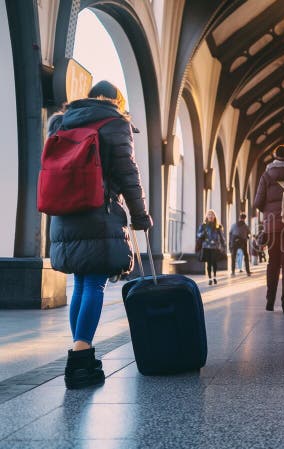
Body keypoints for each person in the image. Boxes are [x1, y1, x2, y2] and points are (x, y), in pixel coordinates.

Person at [48, 80, 152, 389]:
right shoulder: (115, 123)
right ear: (117, 102)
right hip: (98, 214)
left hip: (65, 213)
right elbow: (128, 175)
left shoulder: (61, 122)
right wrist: (140, 216)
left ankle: (82, 352)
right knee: (94, 283)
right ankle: (80, 362)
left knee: (81, 284)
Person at [254, 144, 284, 312]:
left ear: (275, 156)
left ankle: (270, 302)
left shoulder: (266, 175)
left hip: (272, 226)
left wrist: (269, 212)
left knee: (273, 263)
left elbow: (257, 202)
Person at [197, 210, 226, 285]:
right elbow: (198, 235)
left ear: (214, 216)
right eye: (209, 214)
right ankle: (210, 278)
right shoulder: (203, 226)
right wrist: (203, 233)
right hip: (206, 247)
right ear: (206, 216)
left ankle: (214, 277)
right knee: (209, 263)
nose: (210, 216)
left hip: (215, 247)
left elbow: (222, 237)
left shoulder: (218, 226)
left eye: (212, 214)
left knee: (214, 262)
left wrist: (224, 246)